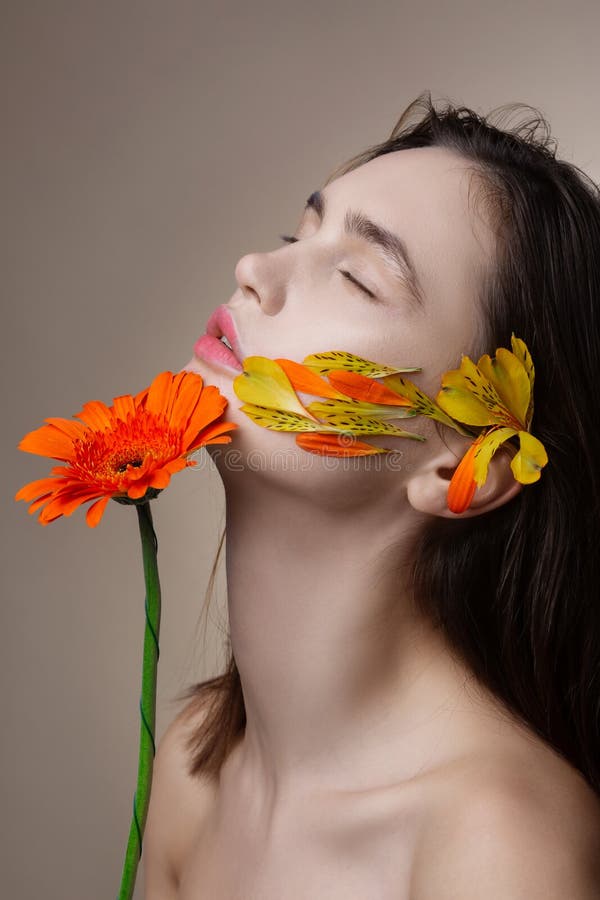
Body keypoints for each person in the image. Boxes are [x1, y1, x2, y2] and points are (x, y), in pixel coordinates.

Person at [143, 92, 600, 898]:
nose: (254, 270)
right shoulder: (192, 767)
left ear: (470, 465)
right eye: (298, 235)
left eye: (357, 278)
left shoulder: (499, 847)